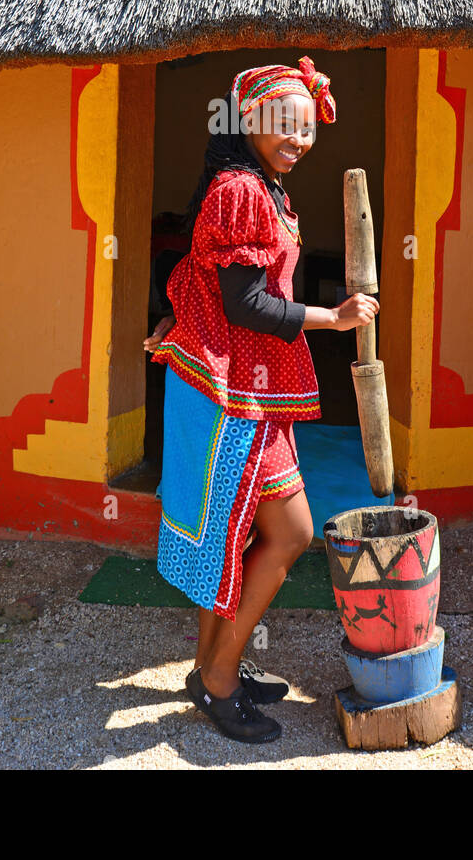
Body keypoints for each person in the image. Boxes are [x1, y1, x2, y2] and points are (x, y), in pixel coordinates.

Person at [143, 56, 379, 743]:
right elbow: (246, 304)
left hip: (249, 387)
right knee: (292, 532)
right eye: (283, 124)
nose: (297, 139)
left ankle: (214, 665)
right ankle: (216, 679)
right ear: (249, 118)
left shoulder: (259, 186)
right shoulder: (242, 190)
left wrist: (176, 314)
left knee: (239, 534)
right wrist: (332, 319)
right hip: (232, 392)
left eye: (306, 130)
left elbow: (192, 269)